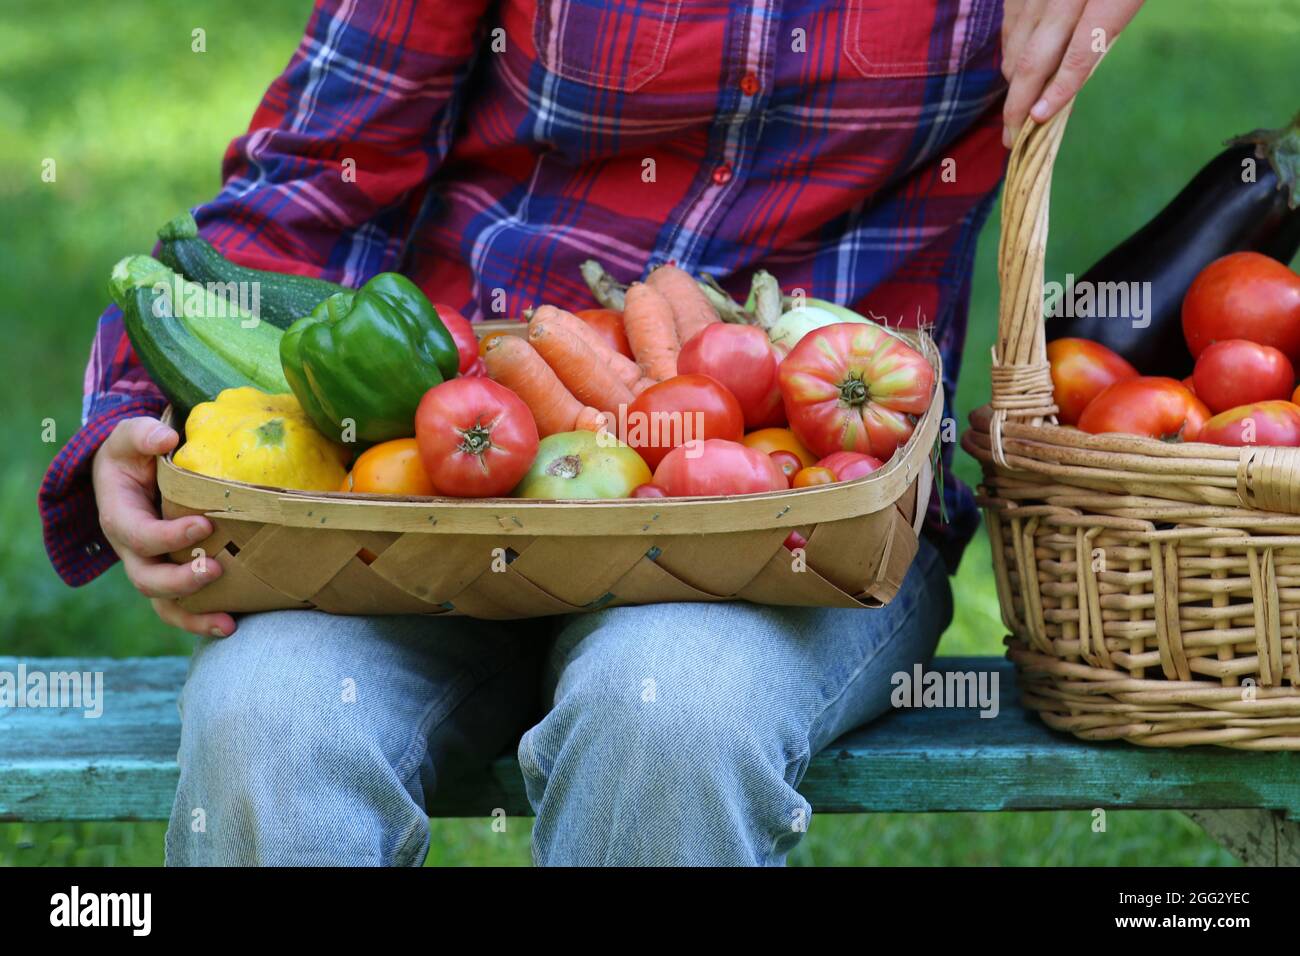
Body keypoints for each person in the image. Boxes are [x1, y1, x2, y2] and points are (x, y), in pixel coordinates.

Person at [40, 0, 1144, 865]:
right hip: (450, 478)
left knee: (670, 718)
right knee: (268, 722)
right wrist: (133, 409)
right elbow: (314, 175)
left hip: (792, 513)